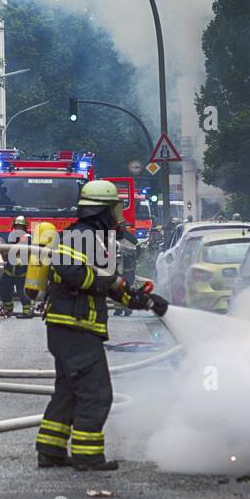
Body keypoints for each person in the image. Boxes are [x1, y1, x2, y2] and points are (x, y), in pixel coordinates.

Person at [36, 180, 167, 471]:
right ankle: (87, 456)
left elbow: (108, 284)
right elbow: (71, 272)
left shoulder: (94, 238)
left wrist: (141, 300)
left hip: (72, 328)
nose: (118, 214)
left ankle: (50, 450)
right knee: (96, 393)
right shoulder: (79, 236)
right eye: (115, 207)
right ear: (102, 210)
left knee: (69, 391)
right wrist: (110, 282)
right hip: (75, 327)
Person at [0, 214, 31, 317]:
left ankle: (27, 311)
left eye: (20, 226)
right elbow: (7, 254)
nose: (18, 228)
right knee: (3, 287)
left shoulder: (27, 238)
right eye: (17, 226)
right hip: (9, 270)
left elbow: (18, 249)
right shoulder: (12, 237)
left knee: (22, 291)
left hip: (22, 271)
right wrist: (2, 250)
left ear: (24, 228)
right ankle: (8, 308)